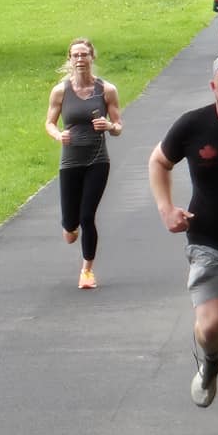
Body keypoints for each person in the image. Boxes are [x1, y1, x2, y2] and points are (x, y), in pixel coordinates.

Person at [149, 54, 218, 410]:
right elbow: (159, 161)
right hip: (208, 240)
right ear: (214, 86)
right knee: (210, 328)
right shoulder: (194, 125)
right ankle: (210, 363)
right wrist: (166, 208)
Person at [45, 38, 123, 290]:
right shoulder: (60, 91)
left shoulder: (106, 90)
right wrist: (58, 134)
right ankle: (70, 226)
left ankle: (87, 271)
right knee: (70, 227)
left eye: (84, 55)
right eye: (75, 55)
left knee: (87, 215)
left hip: (98, 160)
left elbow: (118, 126)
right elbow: (49, 123)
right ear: (69, 59)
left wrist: (109, 126)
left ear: (92, 57)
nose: (80, 59)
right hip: (70, 161)